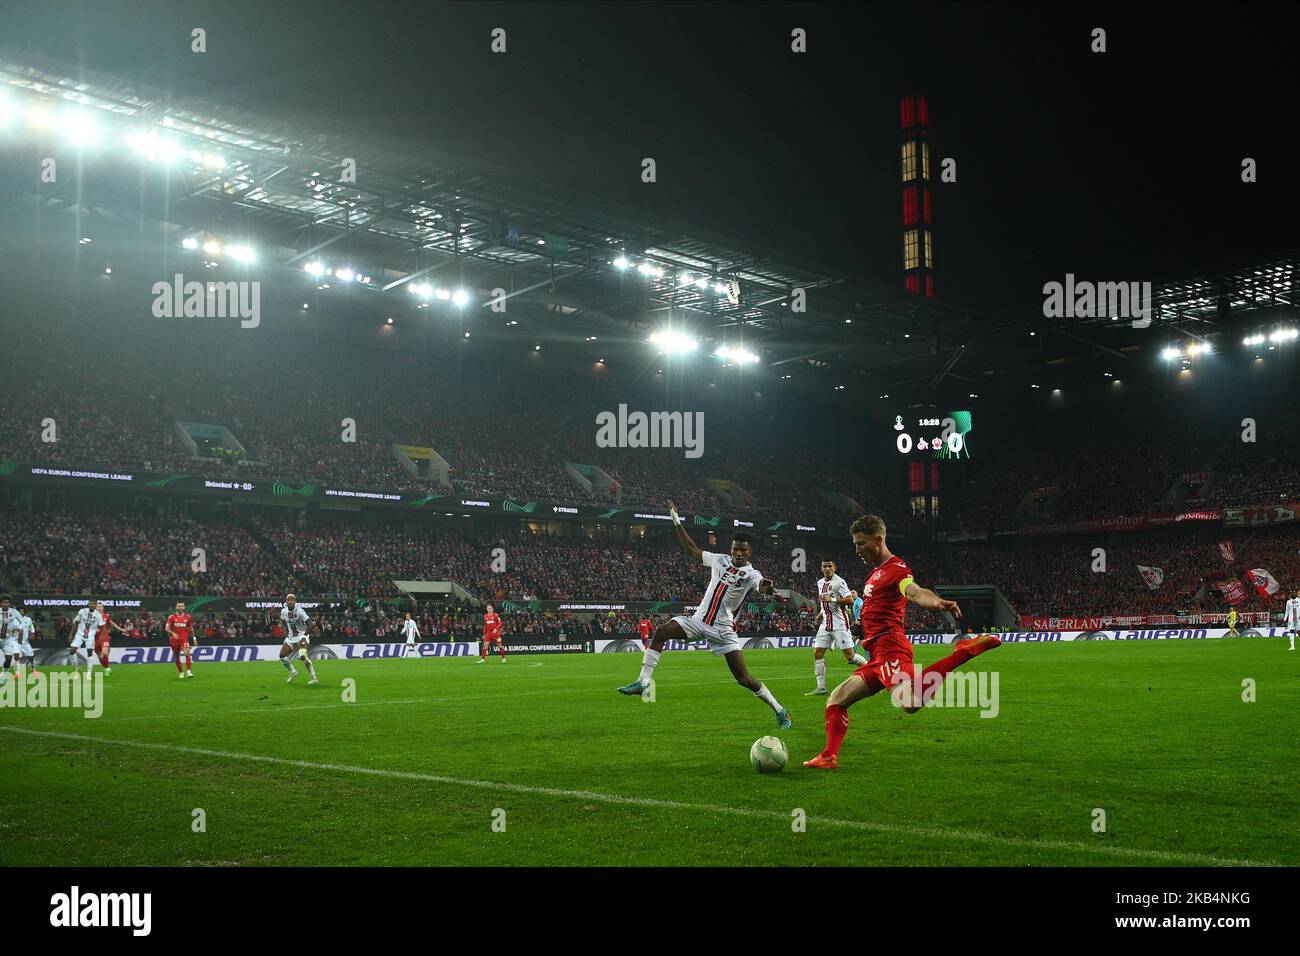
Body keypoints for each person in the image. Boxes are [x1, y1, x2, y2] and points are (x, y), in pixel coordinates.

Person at [804, 515, 1001, 770]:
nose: (857, 550)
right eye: (855, 544)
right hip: (877, 655)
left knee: (909, 703)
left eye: (861, 544)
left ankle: (962, 652)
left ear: (878, 539)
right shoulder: (875, 573)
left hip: (890, 647)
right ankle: (829, 756)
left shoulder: (897, 569)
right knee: (837, 699)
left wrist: (936, 602)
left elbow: (915, 591)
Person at [617, 500, 791, 730]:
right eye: (736, 548)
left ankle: (780, 710)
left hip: (723, 631)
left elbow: (763, 586)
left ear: (750, 552)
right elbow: (692, 550)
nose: (739, 553)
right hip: (698, 622)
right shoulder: (719, 559)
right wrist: (676, 520)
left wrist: (768, 587)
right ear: (731, 549)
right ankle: (643, 681)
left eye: (743, 550)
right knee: (661, 632)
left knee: (744, 679)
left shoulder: (751, 574)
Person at [806, 559, 868, 695]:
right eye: (824, 566)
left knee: (850, 656)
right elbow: (824, 603)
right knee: (818, 653)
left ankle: (873, 676)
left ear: (834, 568)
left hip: (839, 625)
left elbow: (850, 600)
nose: (827, 568)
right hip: (825, 625)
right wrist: (821, 614)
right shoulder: (820, 583)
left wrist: (833, 599)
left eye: (830, 566)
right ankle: (821, 687)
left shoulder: (839, 582)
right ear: (821, 568)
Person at [279, 593, 319, 685]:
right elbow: (282, 621)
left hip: (301, 636)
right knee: (282, 656)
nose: (291, 601)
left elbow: (311, 624)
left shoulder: (300, 611)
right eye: (289, 599)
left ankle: (313, 678)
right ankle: (293, 672)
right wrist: (285, 630)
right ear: (286, 601)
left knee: (302, 655)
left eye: (292, 600)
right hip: (291, 638)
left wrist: (305, 635)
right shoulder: (283, 611)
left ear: (295, 602)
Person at [68, 599, 105, 678]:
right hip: (79, 634)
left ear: (95, 605)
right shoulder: (82, 611)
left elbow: (103, 626)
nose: (91, 605)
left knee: (89, 653)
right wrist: (71, 634)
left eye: (93, 604)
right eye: (90, 603)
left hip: (90, 636)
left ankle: (89, 673)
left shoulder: (98, 615)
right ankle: (77, 670)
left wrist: (101, 637)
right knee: (72, 651)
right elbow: (76, 622)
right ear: (88, 604)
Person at [165, 602, 196, 679]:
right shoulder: (171, 617)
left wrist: (194, 638)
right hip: (174, 640)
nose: (180, 607)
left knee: (187, 653)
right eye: (179, 606)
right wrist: (173, 633)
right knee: (177, 657)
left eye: (182, 606)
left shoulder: (188, 617)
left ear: (184, 607)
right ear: (176, 607)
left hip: (184, 639)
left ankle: (189, 671)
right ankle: (181, 672)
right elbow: (166, 629)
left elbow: (191, 627)